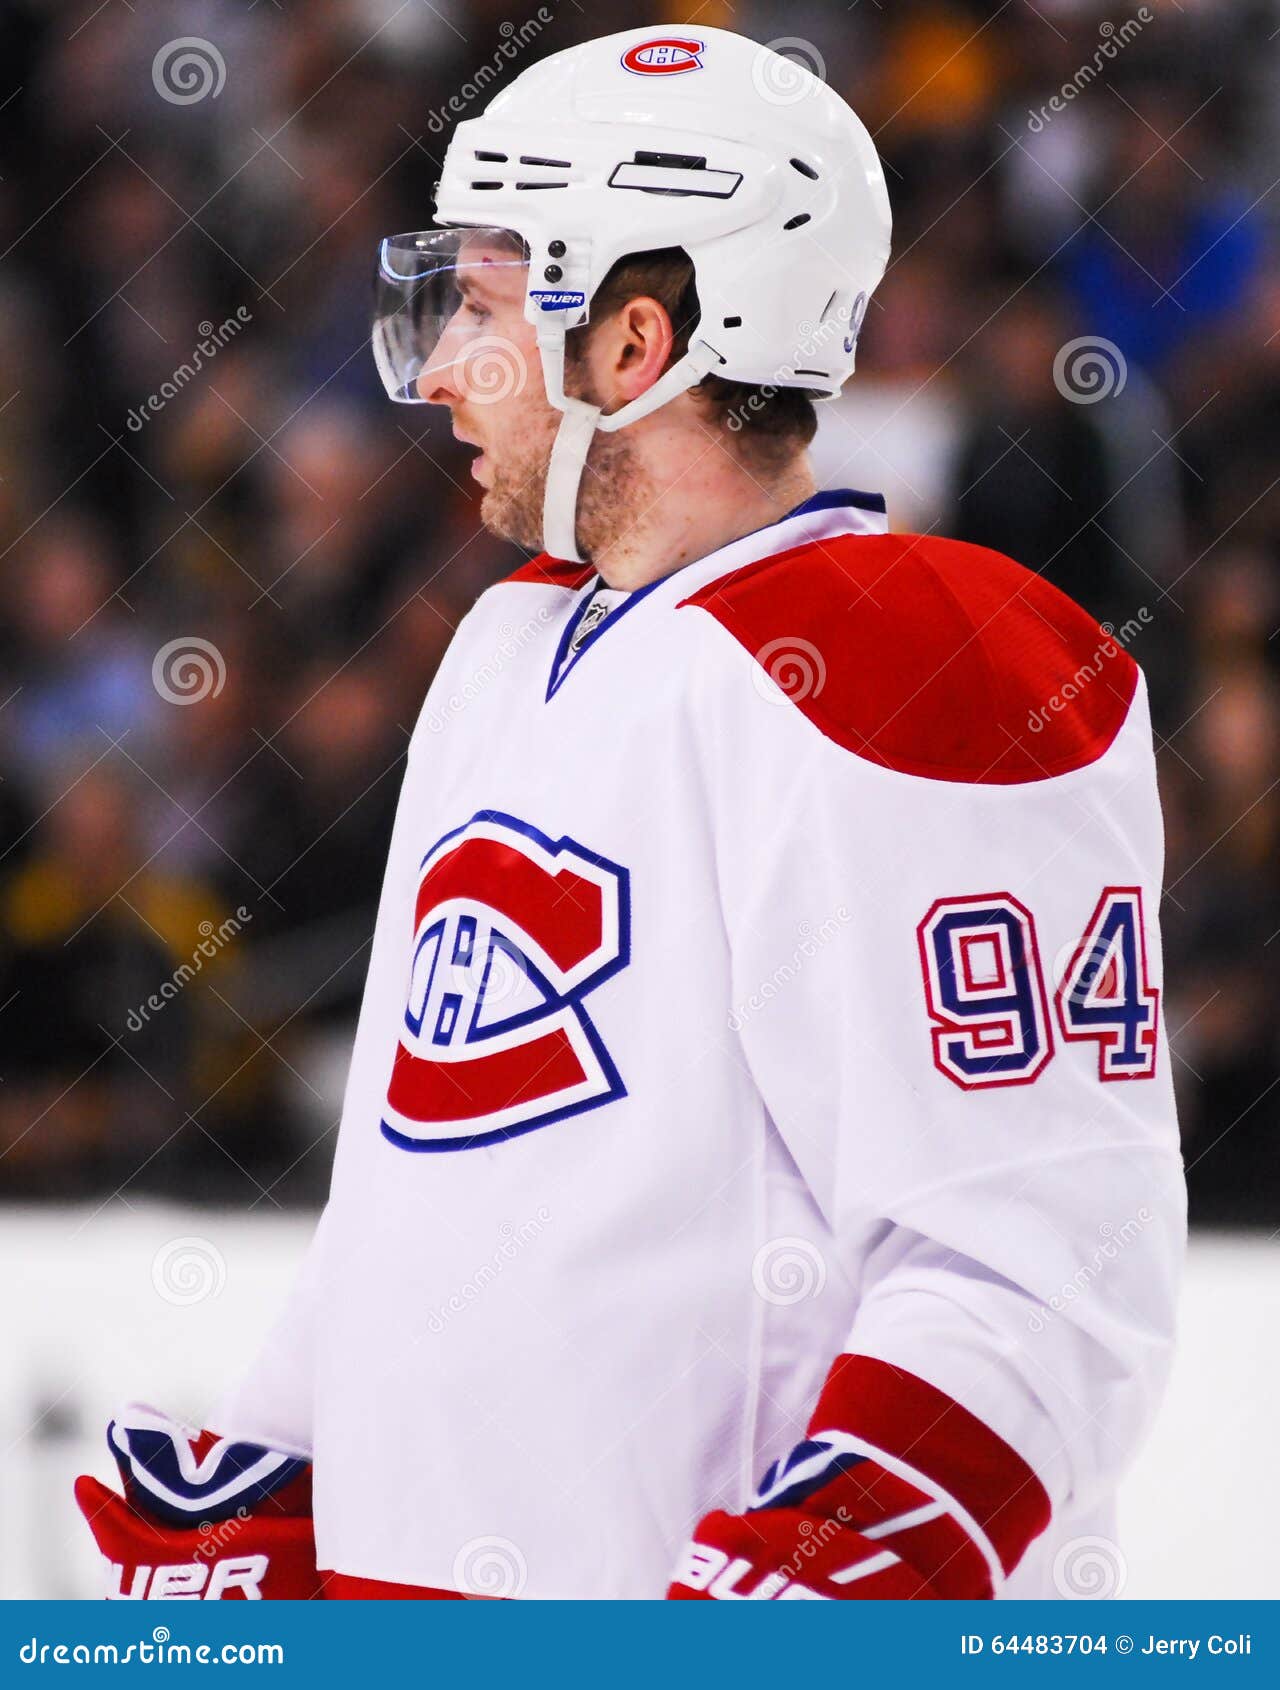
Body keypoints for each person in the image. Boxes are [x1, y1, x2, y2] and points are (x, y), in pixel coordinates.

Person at [76, 24, 1184, 1602]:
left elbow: (1034, 1262)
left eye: (475, 305)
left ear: (636, 345)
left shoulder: (904, 666)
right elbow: (430, 1166)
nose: (440, 369)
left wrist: (810, 1579)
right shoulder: (506, 647)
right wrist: (300, 1479)